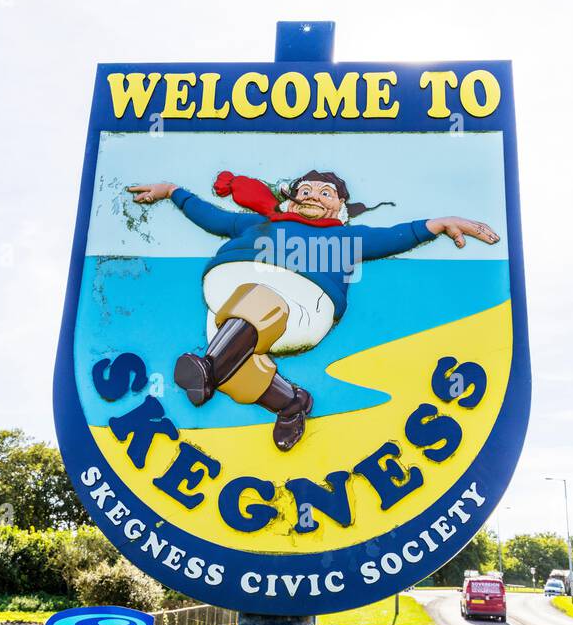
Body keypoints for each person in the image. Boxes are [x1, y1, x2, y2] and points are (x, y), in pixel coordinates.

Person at [127, 170, 499, 451]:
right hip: (228, 299)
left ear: (339, 207)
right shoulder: (255, 224)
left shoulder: (343, 238)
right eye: (305, 190)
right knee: (235, 367)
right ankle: (290, 402)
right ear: (290, 200)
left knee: (257, 303)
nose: (313, 197)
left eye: (325, 193)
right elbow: (211, 217)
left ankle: (207, 367)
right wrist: (172, 191)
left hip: (302, 303)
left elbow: (395, 236)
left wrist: (441, 224)